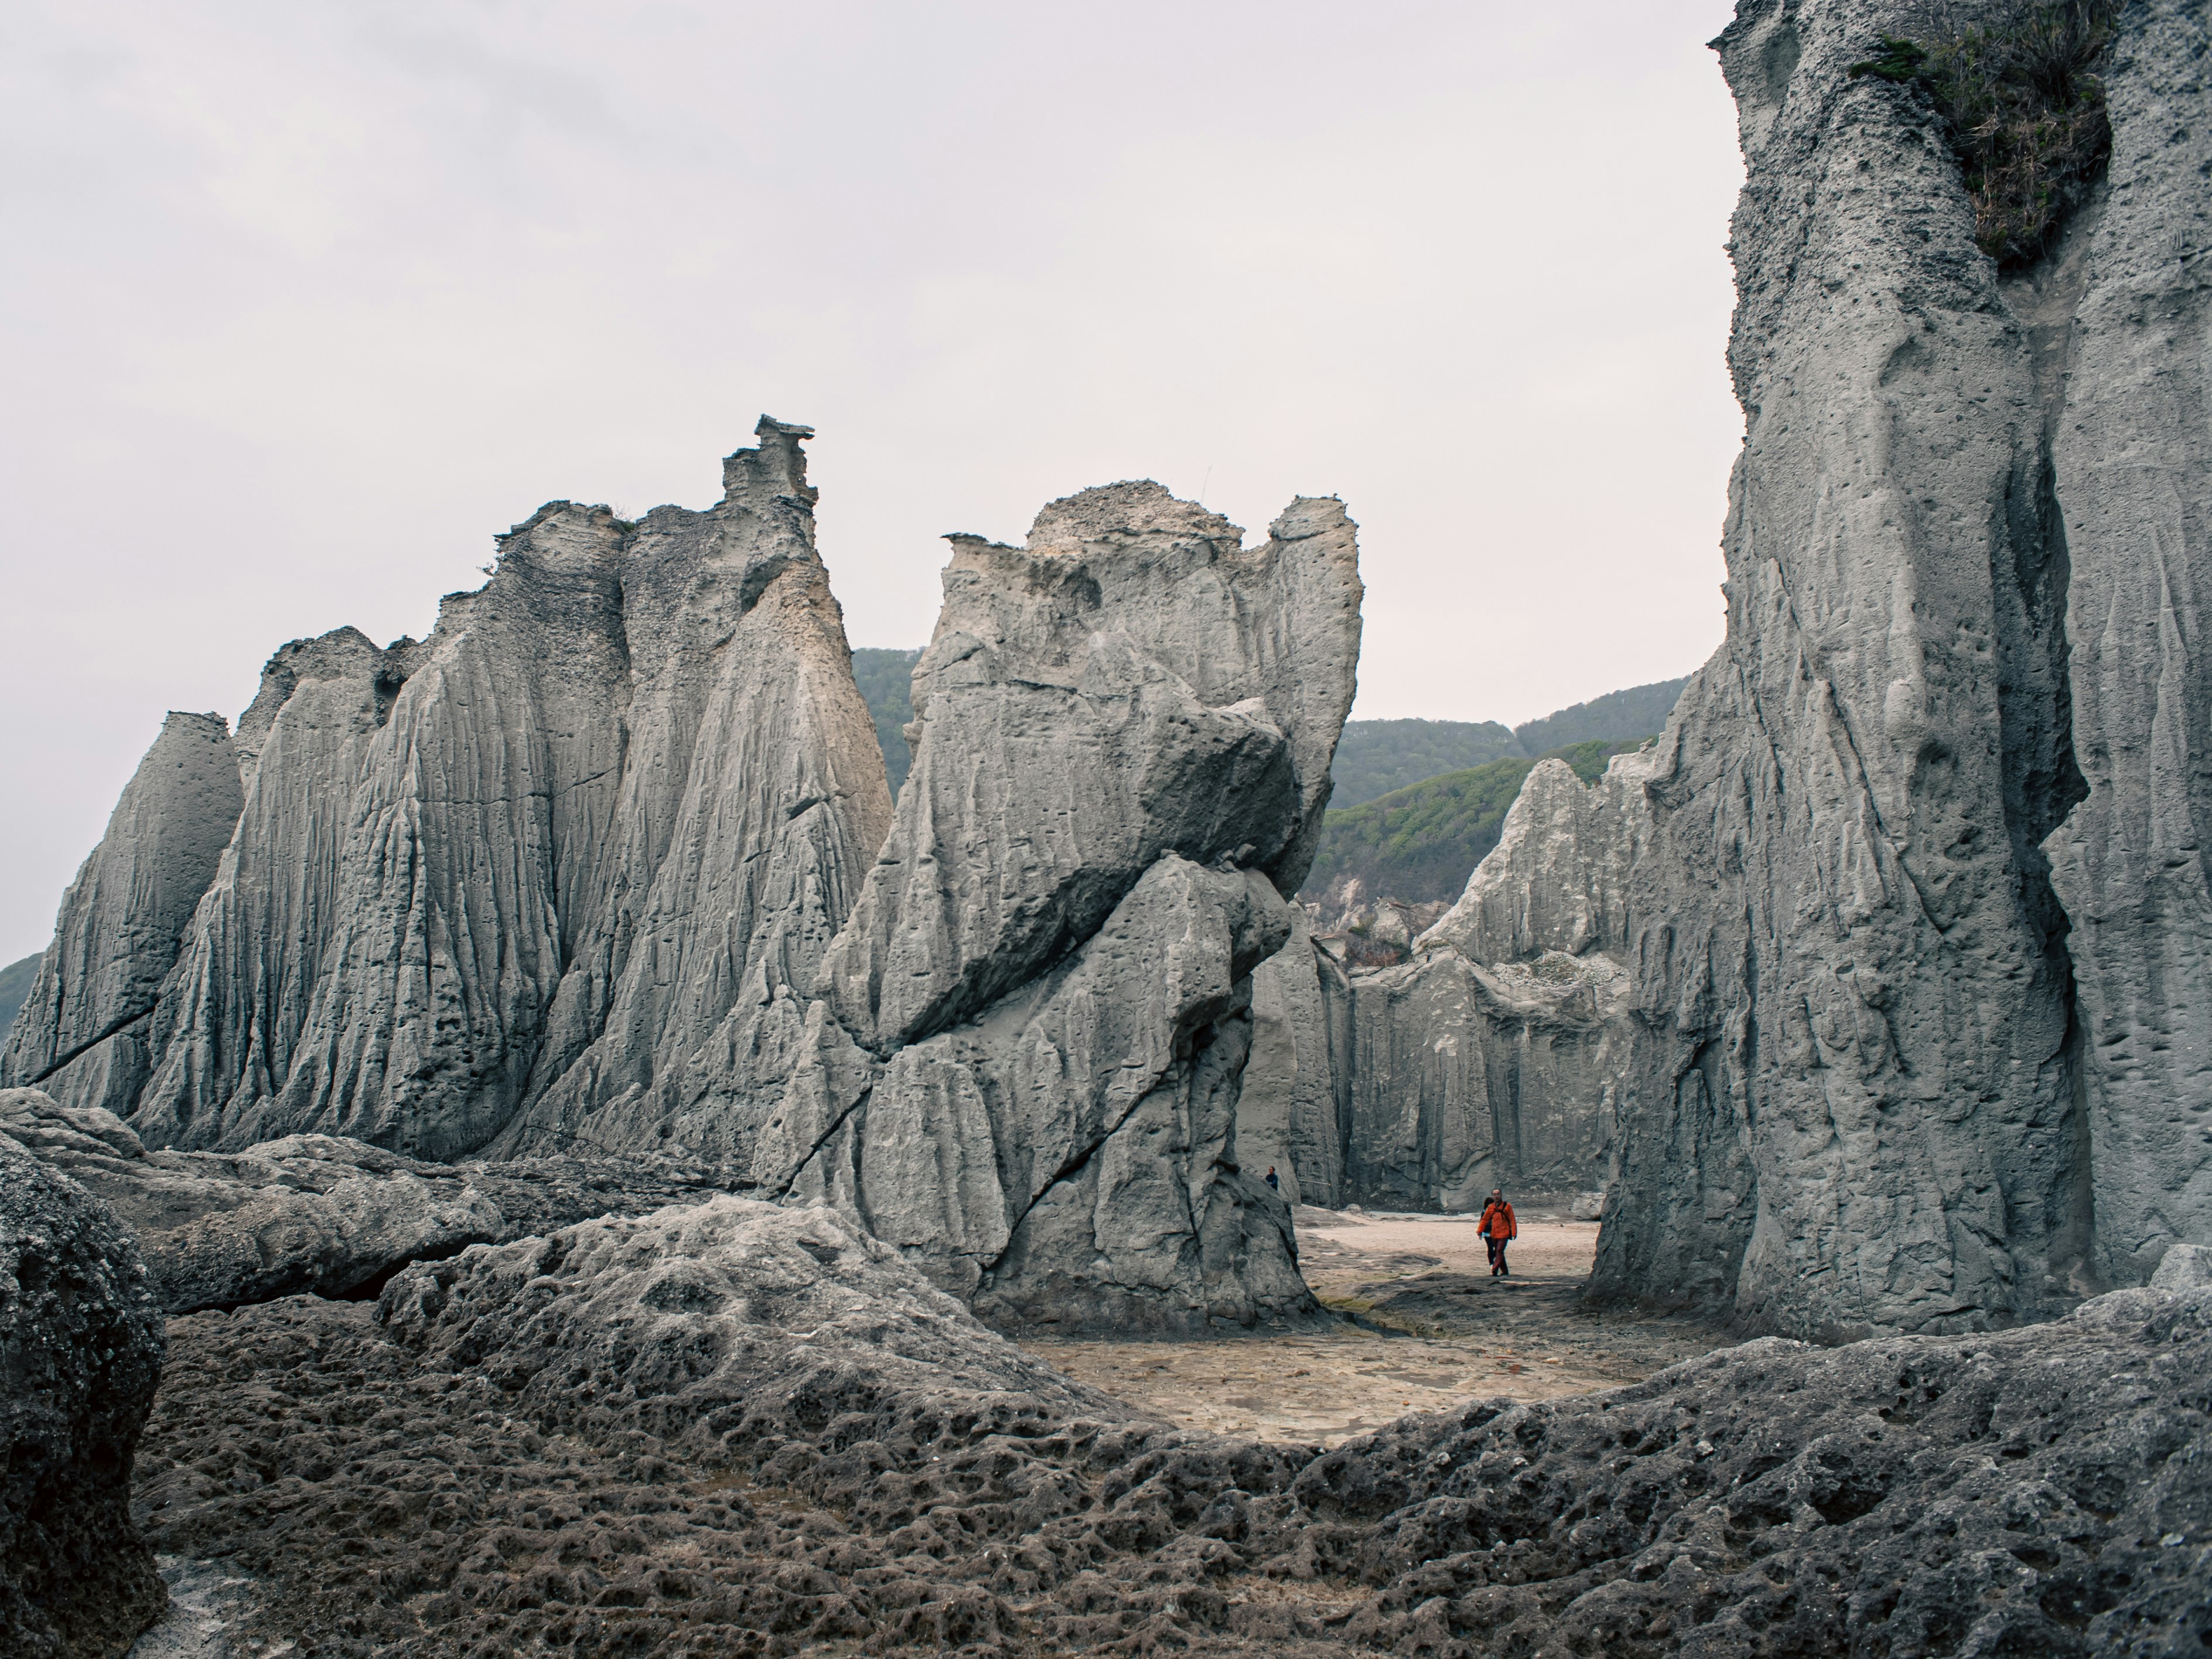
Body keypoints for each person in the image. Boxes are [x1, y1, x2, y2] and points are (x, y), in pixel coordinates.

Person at [1479, 1188, 1517, 1276]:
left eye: (1498, 1194)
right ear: (1493, 1196)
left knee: (1499, 1250)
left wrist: (1514, 1232)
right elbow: (1484, 1220)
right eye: (1495, 1195)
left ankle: (1495, 1269)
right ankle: (1505, 1271)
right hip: (1494, 1234)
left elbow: (1512, 1220)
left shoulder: (1508, 1206)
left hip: (1505, 1233)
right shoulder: (1491, 1207)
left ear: (1501, 1195)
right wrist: (1480, 1230)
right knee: (1499, 1252)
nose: (1497, 1196)